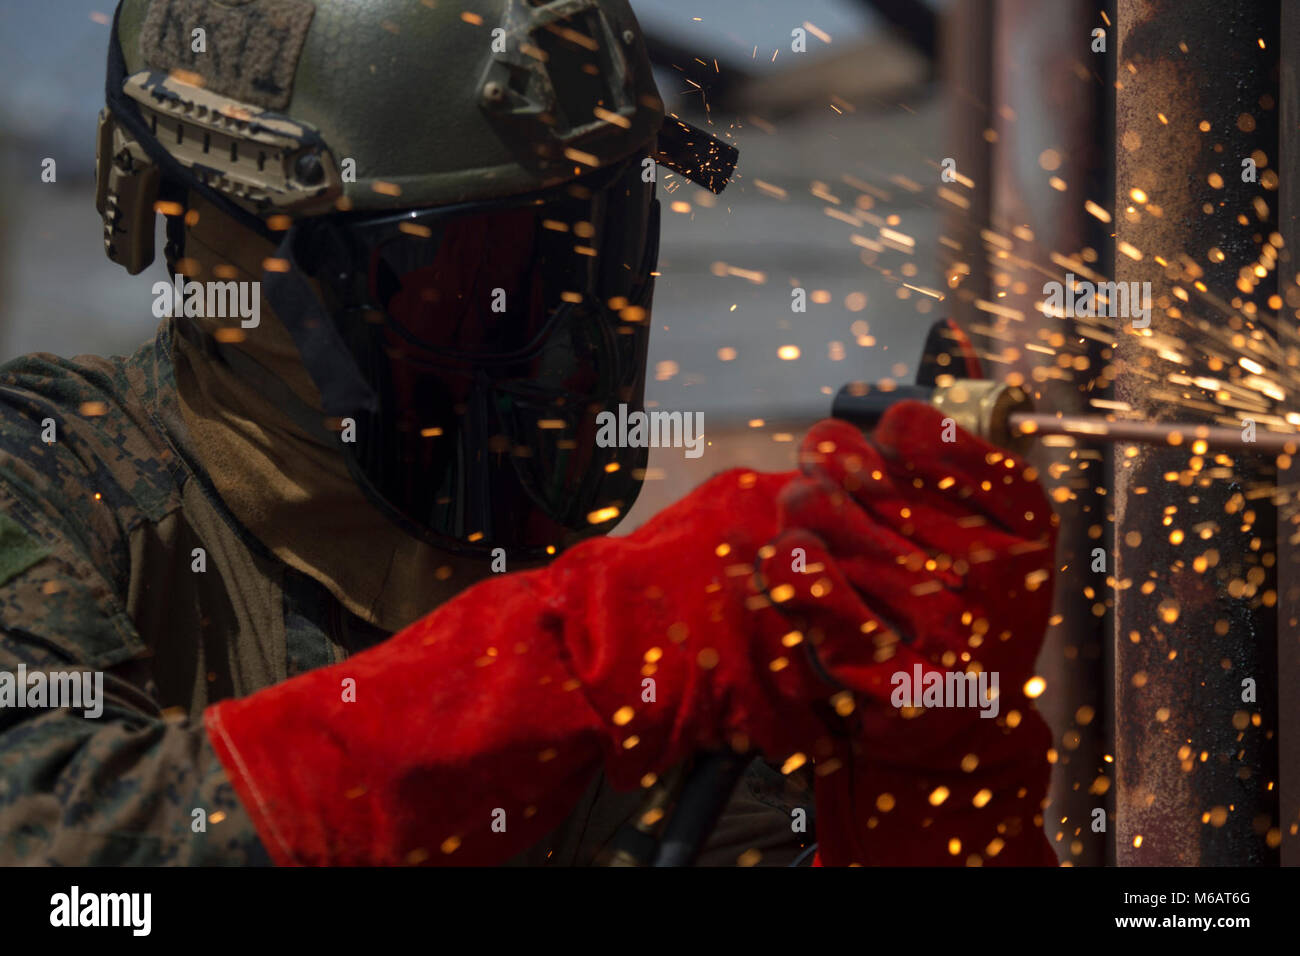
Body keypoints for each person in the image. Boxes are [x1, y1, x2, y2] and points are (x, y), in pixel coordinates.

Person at [0, 0, 1057, 866]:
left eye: (587, 261)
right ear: (240, 260)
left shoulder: (663, 652)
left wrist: (920, 770)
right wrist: (564, 669)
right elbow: (49, 839)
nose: (556, 346)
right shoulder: (52, 479)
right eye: (480, 276)